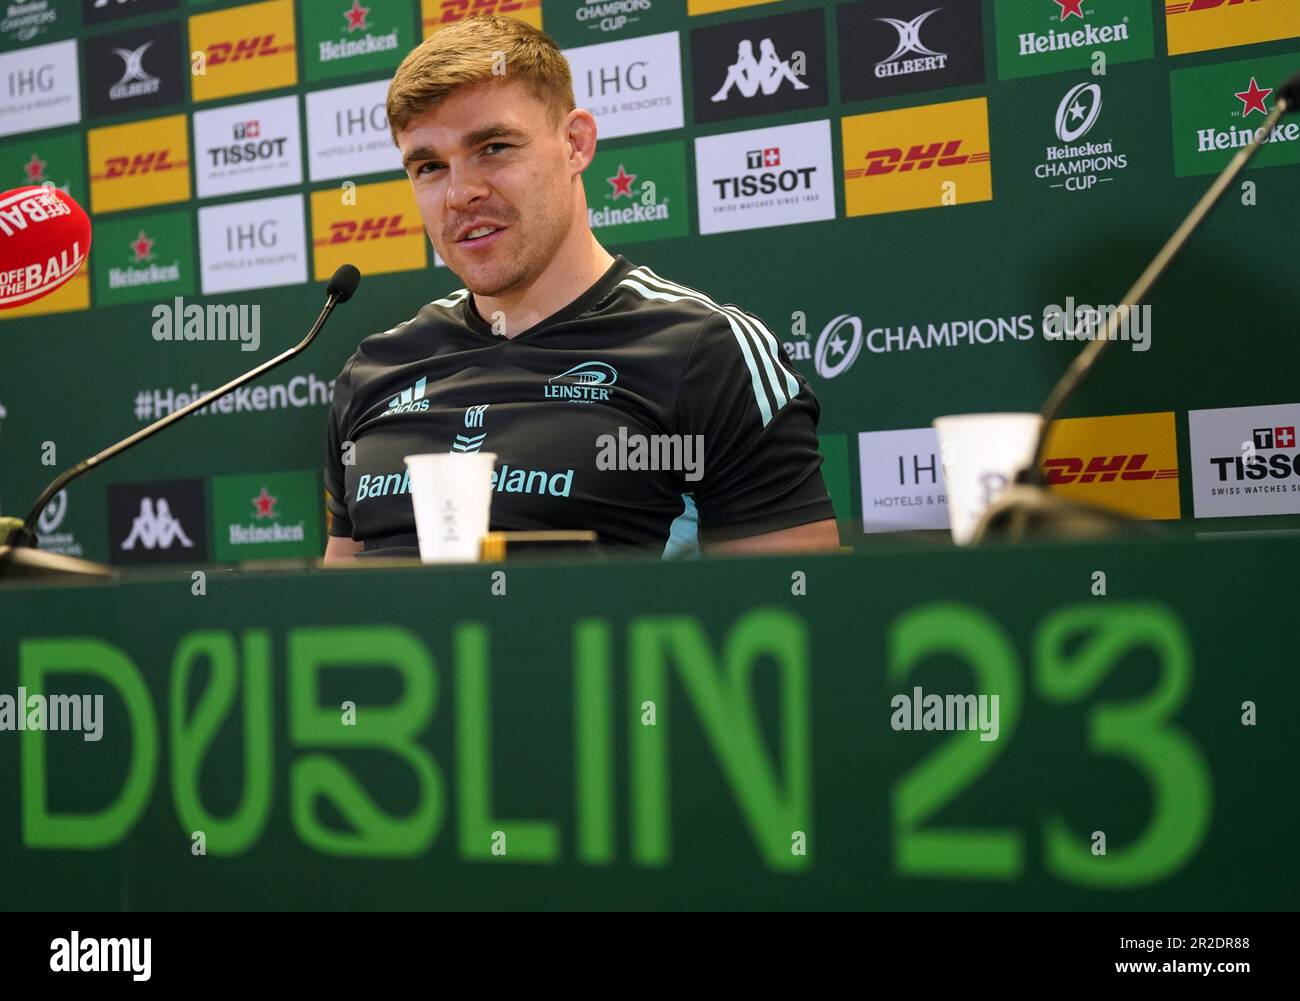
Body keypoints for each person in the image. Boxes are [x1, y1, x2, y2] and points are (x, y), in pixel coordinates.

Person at [322, 15, 839, 563]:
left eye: (494, 147)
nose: (461, 193)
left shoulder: (704, 351)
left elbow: (796, 612)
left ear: (575, 143)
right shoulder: (373, 371)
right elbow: (337, 614)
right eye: (429, 166)